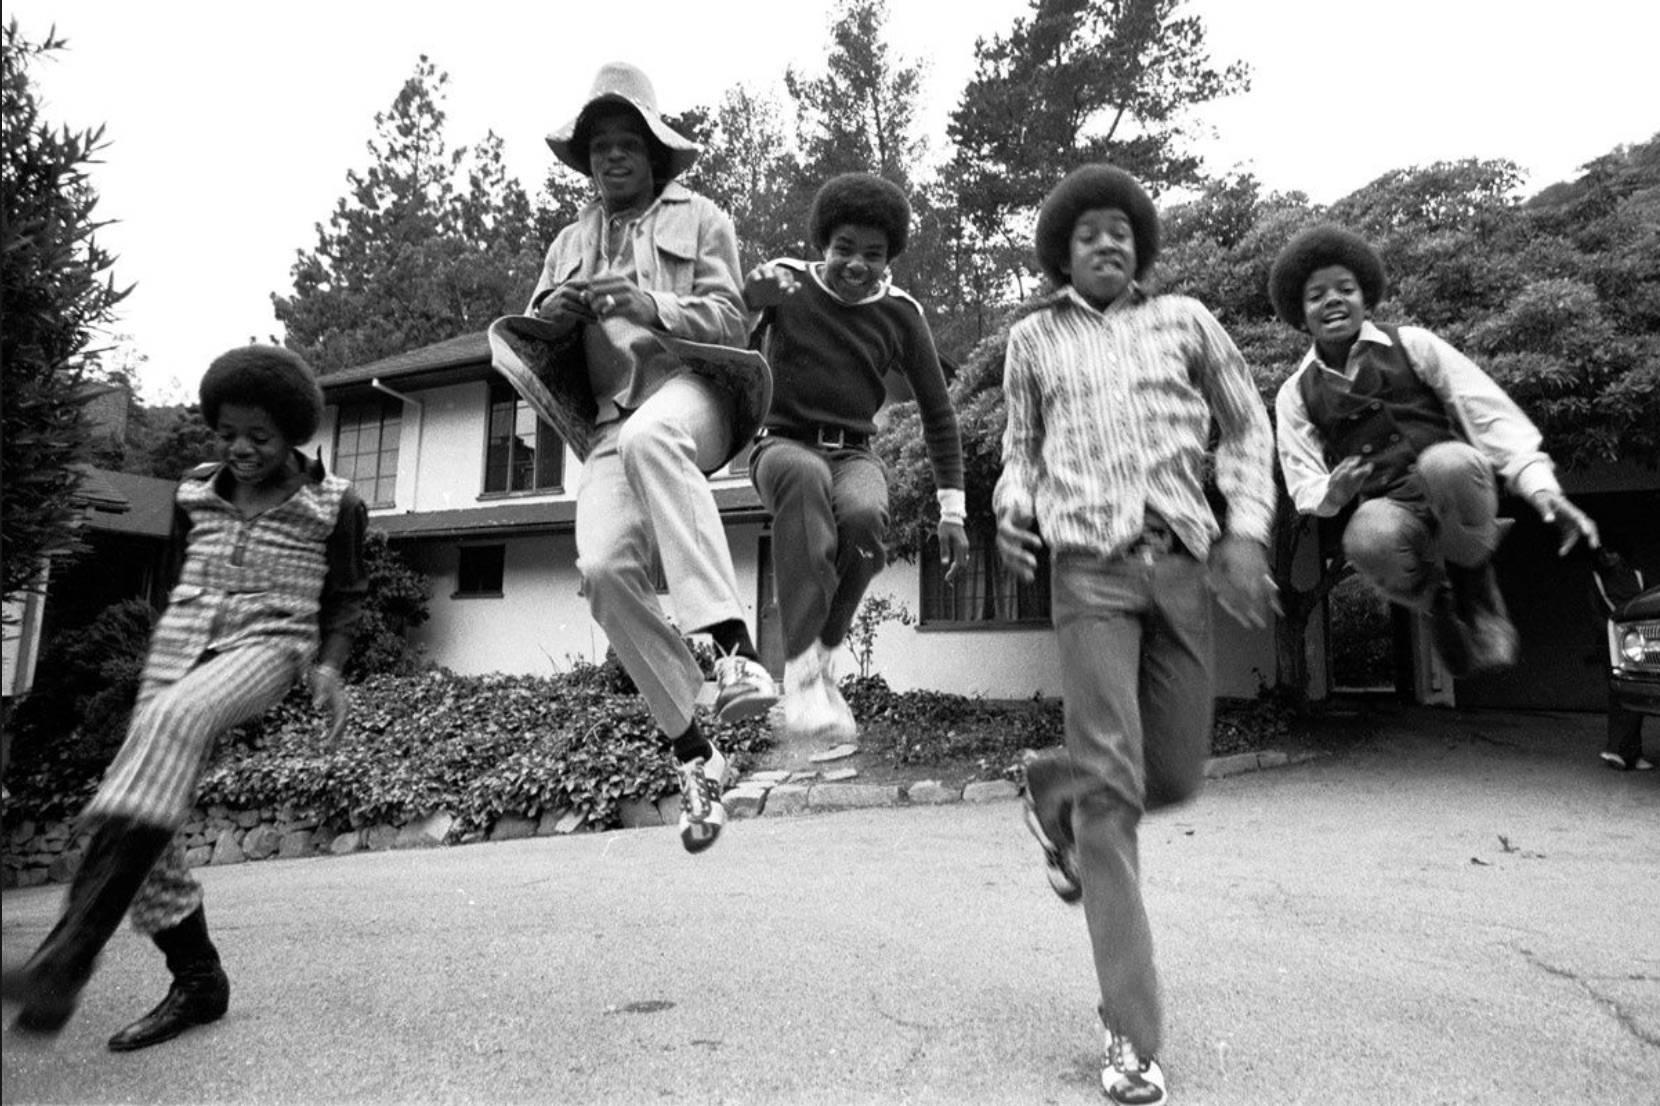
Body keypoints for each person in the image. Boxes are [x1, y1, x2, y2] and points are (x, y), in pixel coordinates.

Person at [996, 165, 1277, 1105]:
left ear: (1141, 245)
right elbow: (1019, 453)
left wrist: (1244, 531)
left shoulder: (1190, 322)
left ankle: (1051, 786)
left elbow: (1246, 429)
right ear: (1064, 251)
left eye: (1123, 230)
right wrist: (1009, 508)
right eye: (1089, 233)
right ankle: (1132, 1035)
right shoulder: (1033, 337)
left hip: (1181, 566)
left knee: (1178, 776)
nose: (1108, 242)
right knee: (1115, 796)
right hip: (1087, 569)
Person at [1, 346, 368, 1051]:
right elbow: (169, 585)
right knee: (149, 818)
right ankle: (198, 981)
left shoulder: (333, 502)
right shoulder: (193, 490)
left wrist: (329, 668)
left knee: (171, 728)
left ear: (293, 431)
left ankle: (64, 962)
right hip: (178, 647)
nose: (240, 449)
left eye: (258, 436)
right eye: (227, 432)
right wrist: (159, 657)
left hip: (269, 645)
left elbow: (346, 597)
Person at [487, 62, 776, 854]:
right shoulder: (568, 243)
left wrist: (653, 305)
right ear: (587, 160)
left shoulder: (703, 218)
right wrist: (554, 311)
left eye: (627, 143)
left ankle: (731, 651)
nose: (612, 157)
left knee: (658, 435)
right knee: (604, 571)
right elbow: (535, 345)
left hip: (696, 394)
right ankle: (696, 748)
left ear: (655, 151)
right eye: (599, 146)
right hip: (612, 427)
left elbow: (728, 318)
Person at [1270, 224, 1601, 675]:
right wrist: (1334, 492)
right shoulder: (1295, 393)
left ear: (1365, 298)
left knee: (1445, 462)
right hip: (1390, 504)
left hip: (1454, 485)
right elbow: (1303, 483)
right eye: (1316, 295)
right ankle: (1436, 603)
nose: (1332, 300)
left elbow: (1487, 412)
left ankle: (1478, 590)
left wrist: (1541, 488)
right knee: (1363, 537)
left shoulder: (1413, 344)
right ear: (1299, 314)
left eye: (1345, 289)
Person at [743, 172, 969, 742]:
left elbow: (939, 415)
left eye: (873, 254)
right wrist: (751, 299)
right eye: (844, 248)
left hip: (854, 453)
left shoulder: (900, 314)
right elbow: (731, 336)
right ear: (824, 244)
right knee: (802, 479)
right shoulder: (788, 284)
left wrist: (952, 511)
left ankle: (822, 656)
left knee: (866, 520)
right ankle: (797, 672)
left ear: (889, 257)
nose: (856, 265)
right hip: (782, 442)